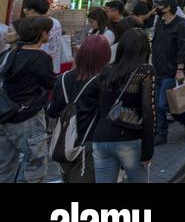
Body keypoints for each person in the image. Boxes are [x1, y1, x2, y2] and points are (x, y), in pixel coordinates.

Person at [77, 26, 155, 183]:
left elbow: (88, 103)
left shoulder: (106, 72)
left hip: (101, 138)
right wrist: (148, 151)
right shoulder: (145, 72)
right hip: (129, 139)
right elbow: (148, 112)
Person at [0, 16, 57, 182]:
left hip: (5, 114)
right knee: (35, 163)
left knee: (5, 164)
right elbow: (50, 83)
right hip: (27, 117)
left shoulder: (10, 53)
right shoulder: (41, 58)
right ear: (42, 34)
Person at [47, 33, 110, 182]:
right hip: (89, 143)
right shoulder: (102, 81)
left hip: (64, 142)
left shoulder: (63, 78)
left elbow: (53, 111)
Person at [151, 0, 185, 144]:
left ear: (168, 8)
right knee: (159, 105)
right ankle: (161, 133)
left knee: (163, 104)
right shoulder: (160, 23)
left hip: (171, 70)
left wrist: (179, 68)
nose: (157, 8)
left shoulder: (180, 25)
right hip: (158, 69)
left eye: (160, 6)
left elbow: (183, 48)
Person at [22, 0, 68, 74]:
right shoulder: (56, 22)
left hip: (38, 67)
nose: (26, 13)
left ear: (32, 11)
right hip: (53, 64)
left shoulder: (36, 24)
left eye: (26, 11)